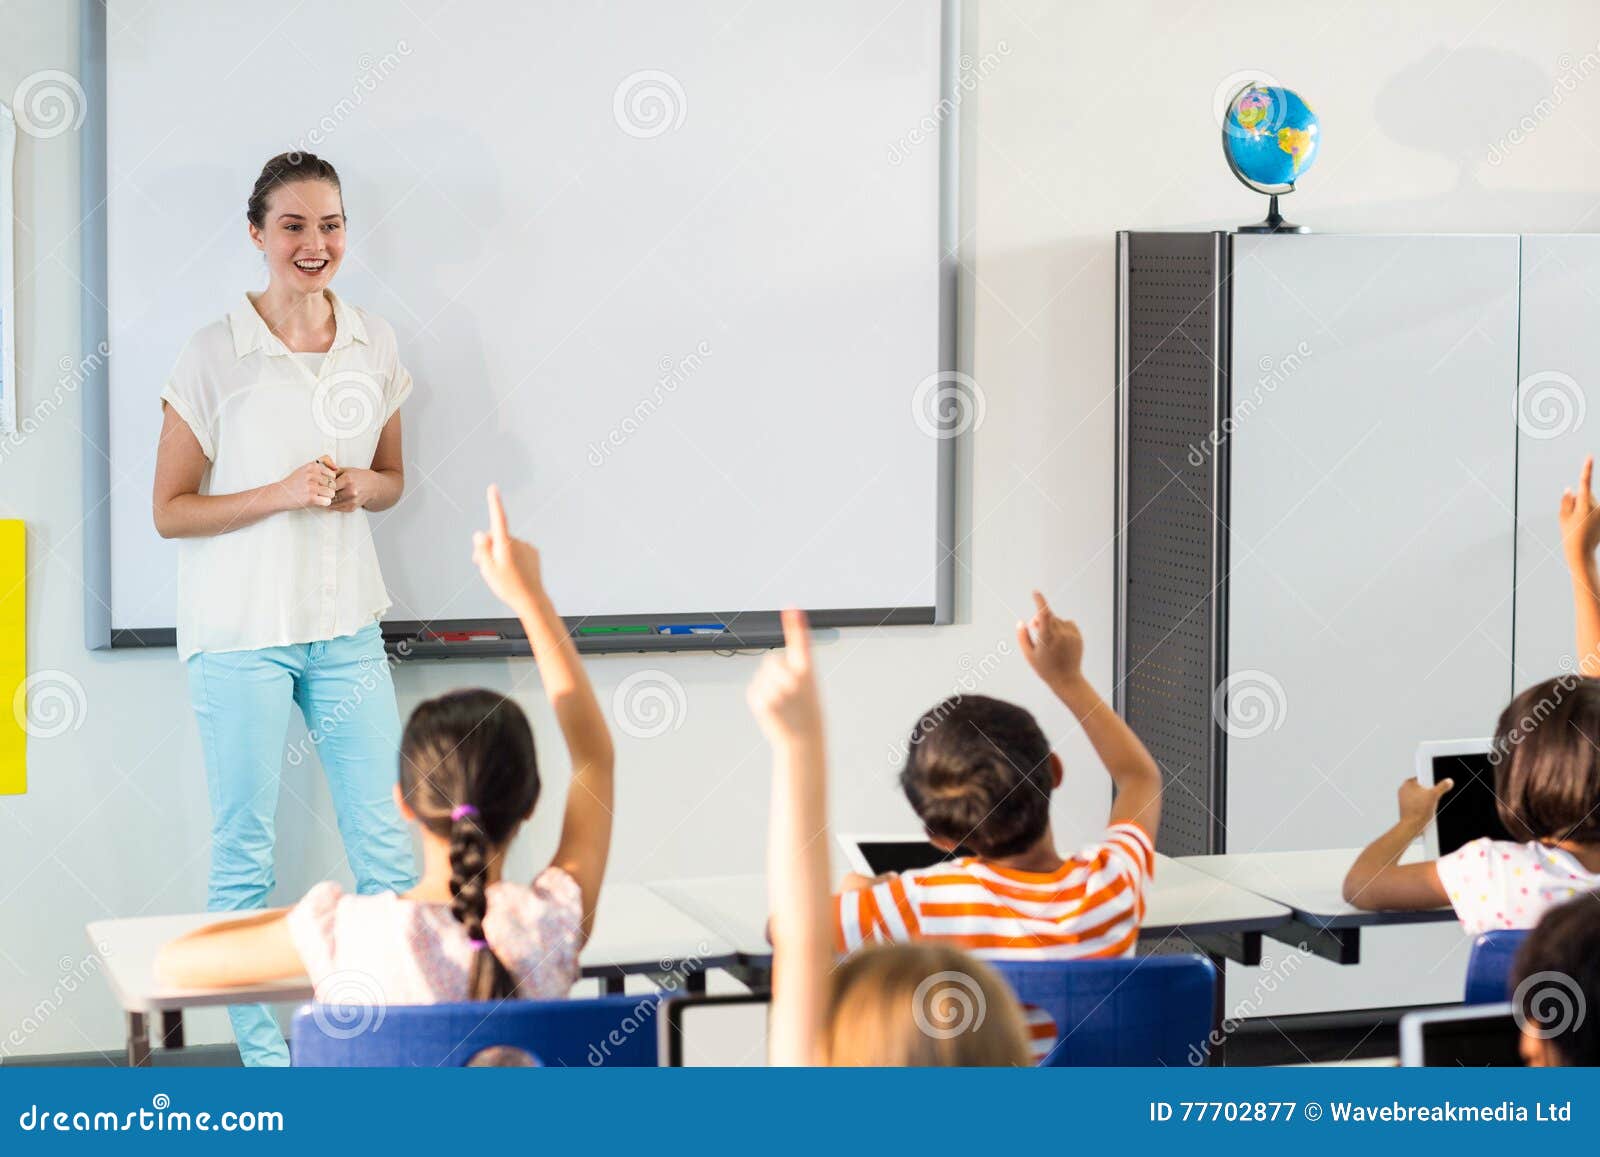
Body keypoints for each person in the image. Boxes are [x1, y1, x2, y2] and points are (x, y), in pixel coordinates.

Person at [151, 152, 420, 1065]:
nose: (316, 244)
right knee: (246, 856)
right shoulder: (212, 351)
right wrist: (276, 492)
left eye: (332, 225)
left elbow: (392, 480)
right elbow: (170, 510)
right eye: (296, 226)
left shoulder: (374, 340)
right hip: (240, 637)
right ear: (259, 235)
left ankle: (386, 1043)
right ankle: (271, 1068)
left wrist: (356, 488)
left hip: (346, 624)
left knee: (390, 850)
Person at [157, 487, 615, 1020]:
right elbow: (594, 760)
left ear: (404, 802)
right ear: (531, 801)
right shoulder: (552, 926)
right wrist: (530, 597)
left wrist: (308, 920)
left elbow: (175, 962)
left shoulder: (346, 933)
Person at [752, 608, 1033, 1067]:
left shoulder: (915, 899)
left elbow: (793, 933)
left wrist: (800, 744)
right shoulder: (1113, 882)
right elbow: (1141, 781)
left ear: (938, 836)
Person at [1343, 461, 1600, 929]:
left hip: (1517, 1008)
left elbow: (1362, 885)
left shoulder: (1491, 874)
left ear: (1517, 778)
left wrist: (1412, 823)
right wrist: (1581, 560)